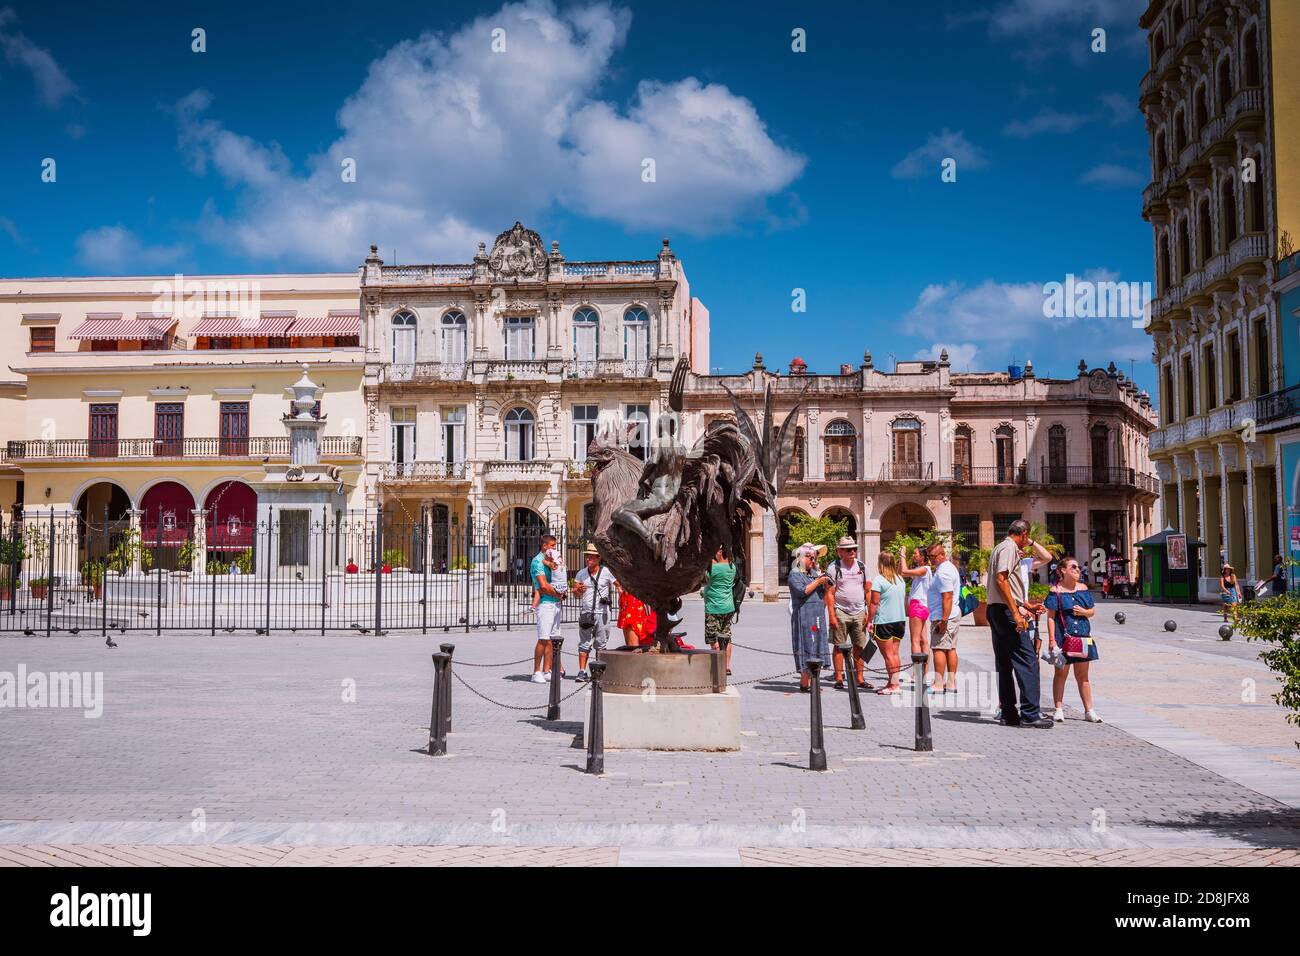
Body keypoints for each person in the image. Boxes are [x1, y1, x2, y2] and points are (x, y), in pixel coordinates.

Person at [987, 519, 1053, 728]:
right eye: (1027, 538)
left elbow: (1006, 585)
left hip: (996, 609)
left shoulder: (1000, 547)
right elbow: (1001, 579)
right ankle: (1031, 713)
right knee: (1027, 660)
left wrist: (1025, 604)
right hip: (1005, 612)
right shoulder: (1009, 548)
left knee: (1004, 663)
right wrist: (1016, 612)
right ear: (1023, 534)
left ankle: (1009, 712)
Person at [1044, 555, 1101, 723]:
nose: (1077, 570)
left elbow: (1091, 611)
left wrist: (1083, 612)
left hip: (1083, 637)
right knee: (1061, 673)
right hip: (1063, 638)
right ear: (1063, 570)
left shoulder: (1082, 588)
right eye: (1073, 567)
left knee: (1083, 675)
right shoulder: (1056, 591)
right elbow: (1050, 617)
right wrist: (1052, 640)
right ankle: (1058, 709)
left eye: (1078, 568)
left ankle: (1089, 711)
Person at [826, 536, 875, 691]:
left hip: (860, 611)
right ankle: (839, 678)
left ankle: (859, 678)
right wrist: (832, 616)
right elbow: (829, 593)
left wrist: (869, 612)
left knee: (859, 645)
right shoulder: (833, 568)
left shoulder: (862, 567)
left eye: (854, 548)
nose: (853, 551)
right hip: (840, 610)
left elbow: (868, 590)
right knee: (839, 646)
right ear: (840, 551)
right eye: (848, 549)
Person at [788, 543, 831, 693]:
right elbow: (802, 591)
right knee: (806, 646)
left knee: (817, 646)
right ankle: (806, 682)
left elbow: (823, 595)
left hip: (817, 615)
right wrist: (818, 581)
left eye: (813, 558)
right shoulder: (795, 573)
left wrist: (826, 585)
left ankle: (810, 683)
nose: (812, 561)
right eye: (809, 557)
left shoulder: (814, 573)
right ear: (800, 558)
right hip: (804, 615)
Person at [571, 544, 616, 682]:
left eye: (591, 556)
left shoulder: (607, 572)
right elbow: (576, 595)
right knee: (584, 643)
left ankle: (598, 672)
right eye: (587, 556)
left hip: (602, 613)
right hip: (586, 613)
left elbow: (618, 585)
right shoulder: (581, 573)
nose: (588, 558)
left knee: (601, 644)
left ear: (599, 558)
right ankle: (582, 671)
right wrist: (578, 590)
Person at [925, 540, 962, 695]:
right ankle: (951, 682)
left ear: (942, 555)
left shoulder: (943, 572)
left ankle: (939, 683)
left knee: (939, 649)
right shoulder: (948, 568)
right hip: (950, 614)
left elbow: (947, 597)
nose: (930, 560)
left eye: (933, 556)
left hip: (943, 616)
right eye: (929, 556)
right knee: (951, 648)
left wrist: (944, 620)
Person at [867, 550, 908, 694]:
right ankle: (893, 682)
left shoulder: (879, 580)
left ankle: (894, 685)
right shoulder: (900, 580)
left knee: (888, 655)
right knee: (895, 654)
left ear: (880, 563)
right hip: (900, 621)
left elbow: (874, 603)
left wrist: (869, 621)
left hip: (884, 621)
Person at [529, 533, 563, 684]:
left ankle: (547, 669)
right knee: (543, 638)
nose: (555, 548)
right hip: (545, 604)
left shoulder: (550, 560)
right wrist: (559, 594)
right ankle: (536, 671)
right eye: (552, 546)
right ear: (544, 546)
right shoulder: (537, 562)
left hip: (555, 603)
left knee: (552, 639)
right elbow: (542, 586)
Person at [898, 545, 933, 689]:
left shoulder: (924, 569)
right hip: (924, 606)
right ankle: (923, 673)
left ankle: (917, 672)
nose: (914, 555)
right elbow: (903, 572)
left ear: (923, 557)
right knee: (924, 640)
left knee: (915, 640)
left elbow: (904, 572)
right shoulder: (923, 570)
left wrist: (902, 555)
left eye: (916, 554)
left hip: (917, 605)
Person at [702, 545, 737, 675]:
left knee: (713, 638)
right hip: (728, 607)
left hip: (713, 607)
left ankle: (717, 666)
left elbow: (704, 578)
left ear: (720, 552)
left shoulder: (713, 569)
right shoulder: (732, 567)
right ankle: (727, 666)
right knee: (727, 637)